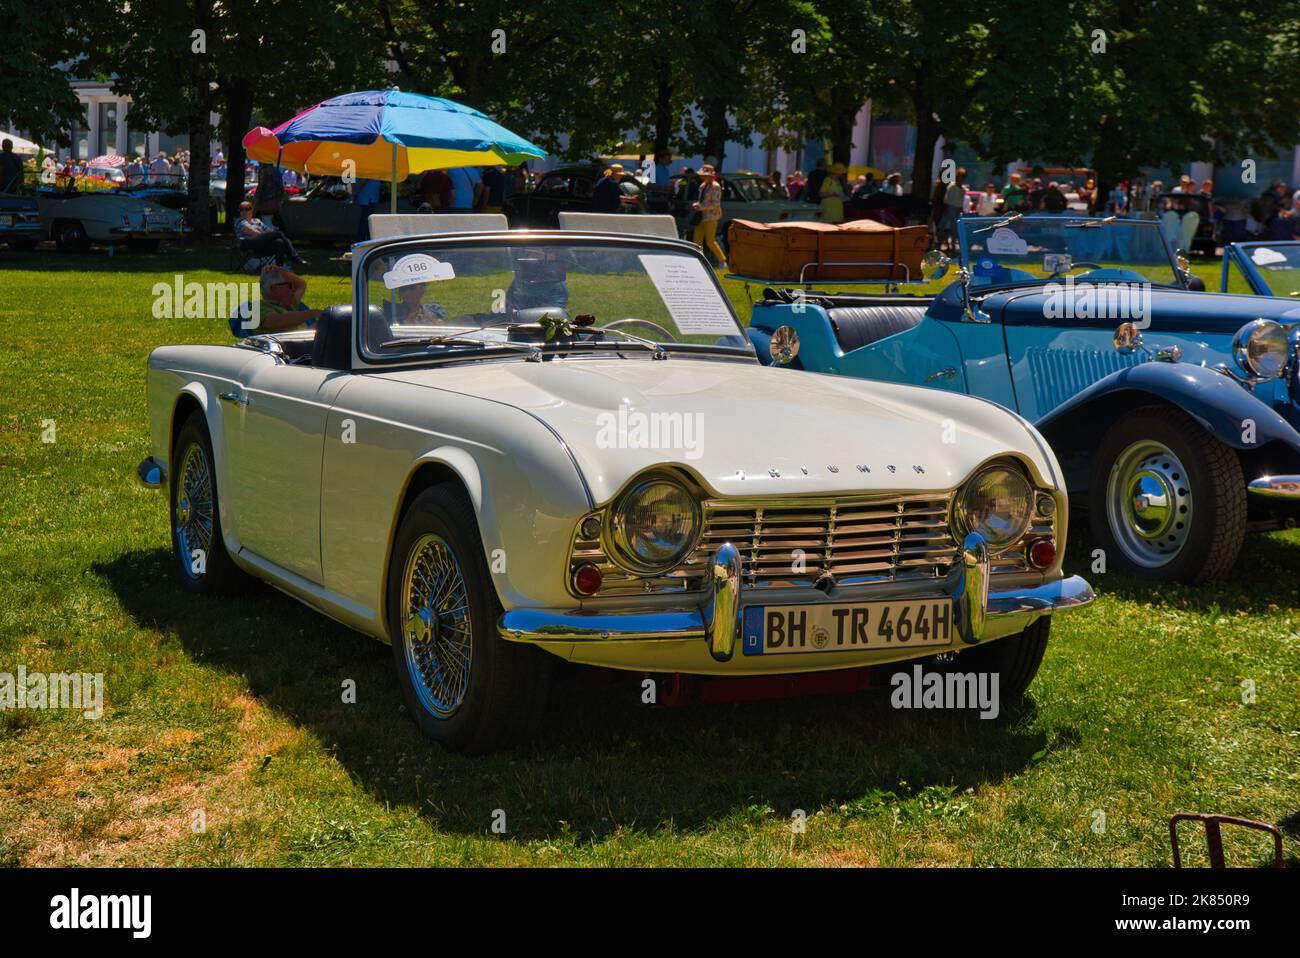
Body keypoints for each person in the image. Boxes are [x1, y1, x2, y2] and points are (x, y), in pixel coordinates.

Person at [228, 264, 321, 338]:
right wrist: (312, 314)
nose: (293, 290)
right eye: (289, 286)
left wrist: (282, 271)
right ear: (273, 288)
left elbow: (301, 285)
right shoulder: (258, 307)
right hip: (285, 353)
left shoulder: (289, 304)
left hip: (305, 345)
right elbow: (278, 320)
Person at [234, 201, 306, 267]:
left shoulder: (256, 221)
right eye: (241, 209)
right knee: (278, 233)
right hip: (247, 244)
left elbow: (268, 231)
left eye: (247, 209)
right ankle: (294, 257)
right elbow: (253, 232)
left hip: (261, 246)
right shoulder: (240, 221)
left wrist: (268, 236)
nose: (244, 211)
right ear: (239, 211)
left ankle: (279, 269)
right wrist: (268, 236)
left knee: (279, 242)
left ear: (252, 210)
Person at [691, 164, 726, 269]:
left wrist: (701, 207)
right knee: (697, 241)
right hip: (701, 216)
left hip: (711, 217)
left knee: (710, 241)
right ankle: (699, 260)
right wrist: (697, 204)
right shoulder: (702, 186)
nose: (702, 177)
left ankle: (722, 261)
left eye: (704, 175)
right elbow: (702, 200)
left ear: (710, 176)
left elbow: (715, 203)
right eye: (701, 175)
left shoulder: (715, 186)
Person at [382, 281, 449, 325]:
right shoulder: (393, 312)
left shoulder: (434, 309)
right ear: (400, 293)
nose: (408, 293)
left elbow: (445, 329)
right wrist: (409, 320)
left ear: (422, 290)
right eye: (403, 289)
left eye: (412, 288)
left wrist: (435, 320)